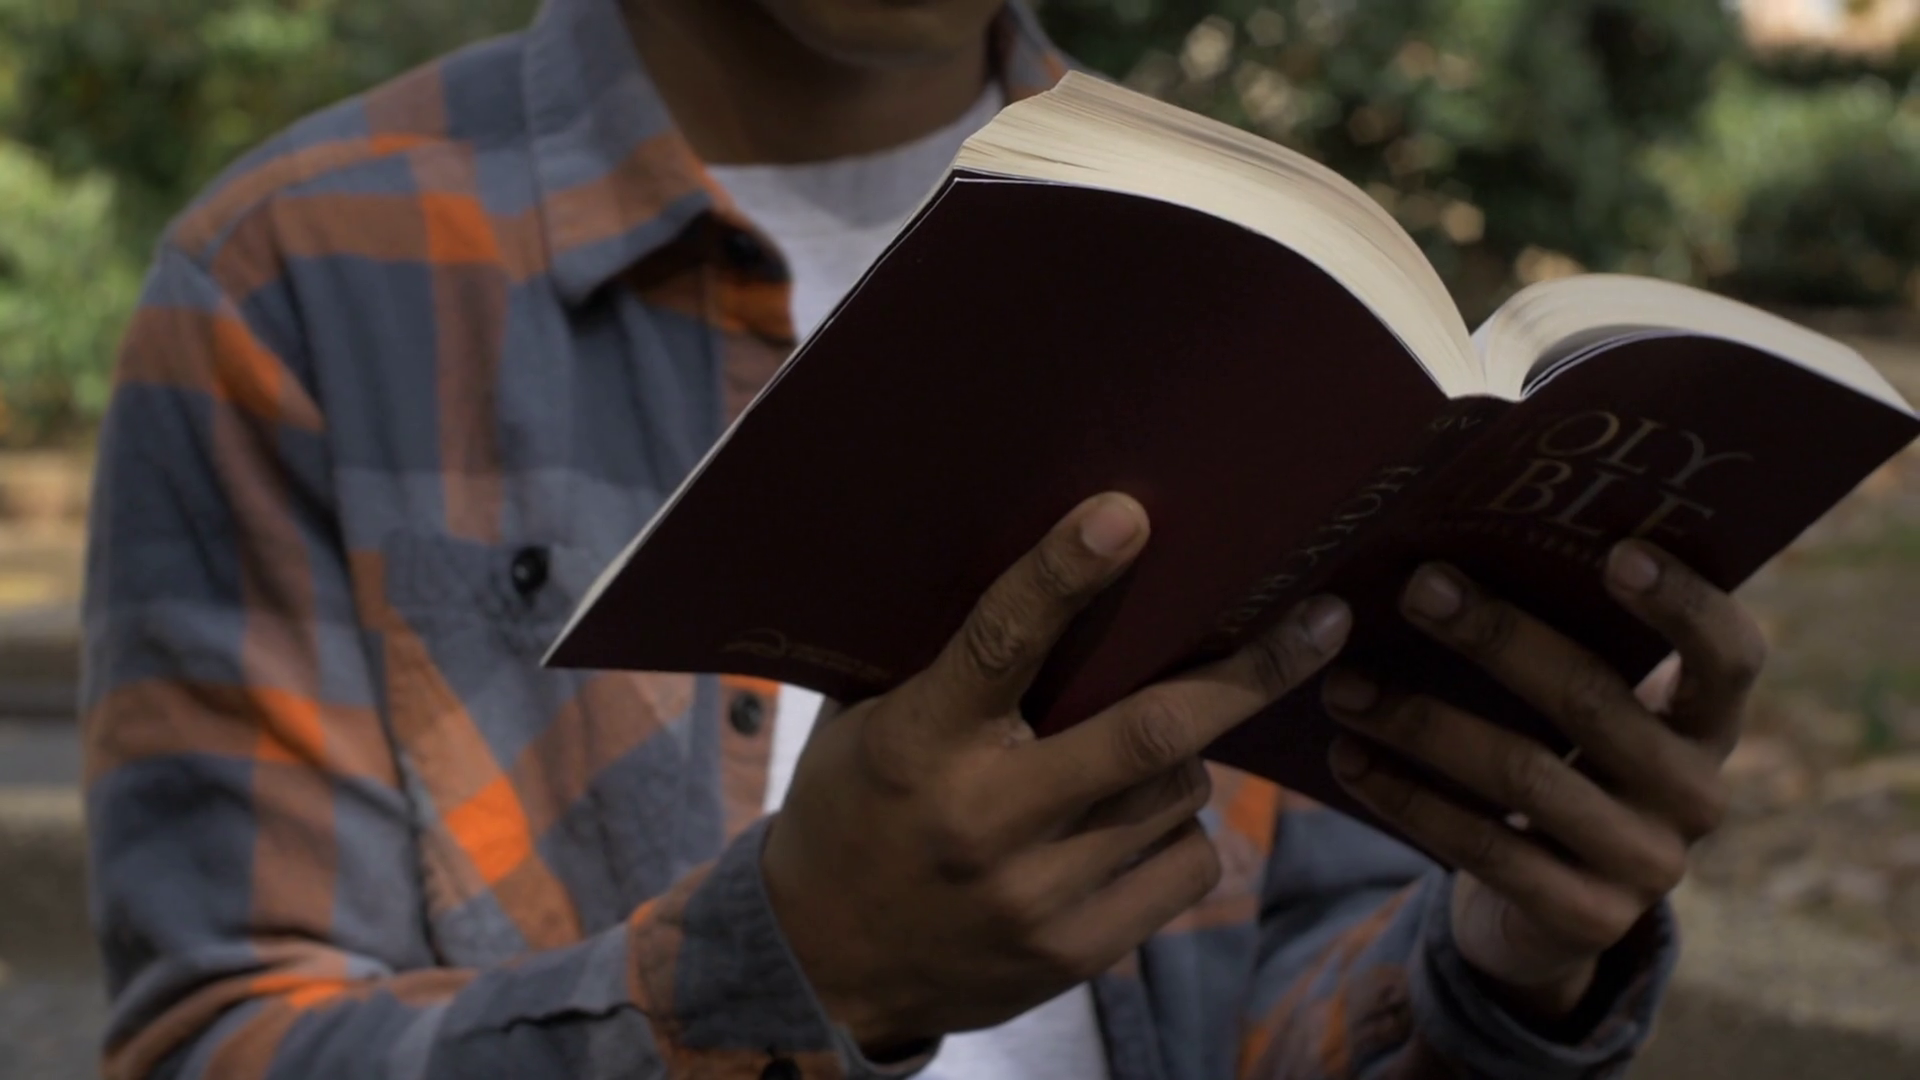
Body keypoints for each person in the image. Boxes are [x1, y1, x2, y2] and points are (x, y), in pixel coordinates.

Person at [82, 1, 1763, 1078]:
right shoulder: (305, 277)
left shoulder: (1250, 265)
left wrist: (1506, 957)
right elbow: (219, 1042)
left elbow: (1286, 996)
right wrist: (791, 968)